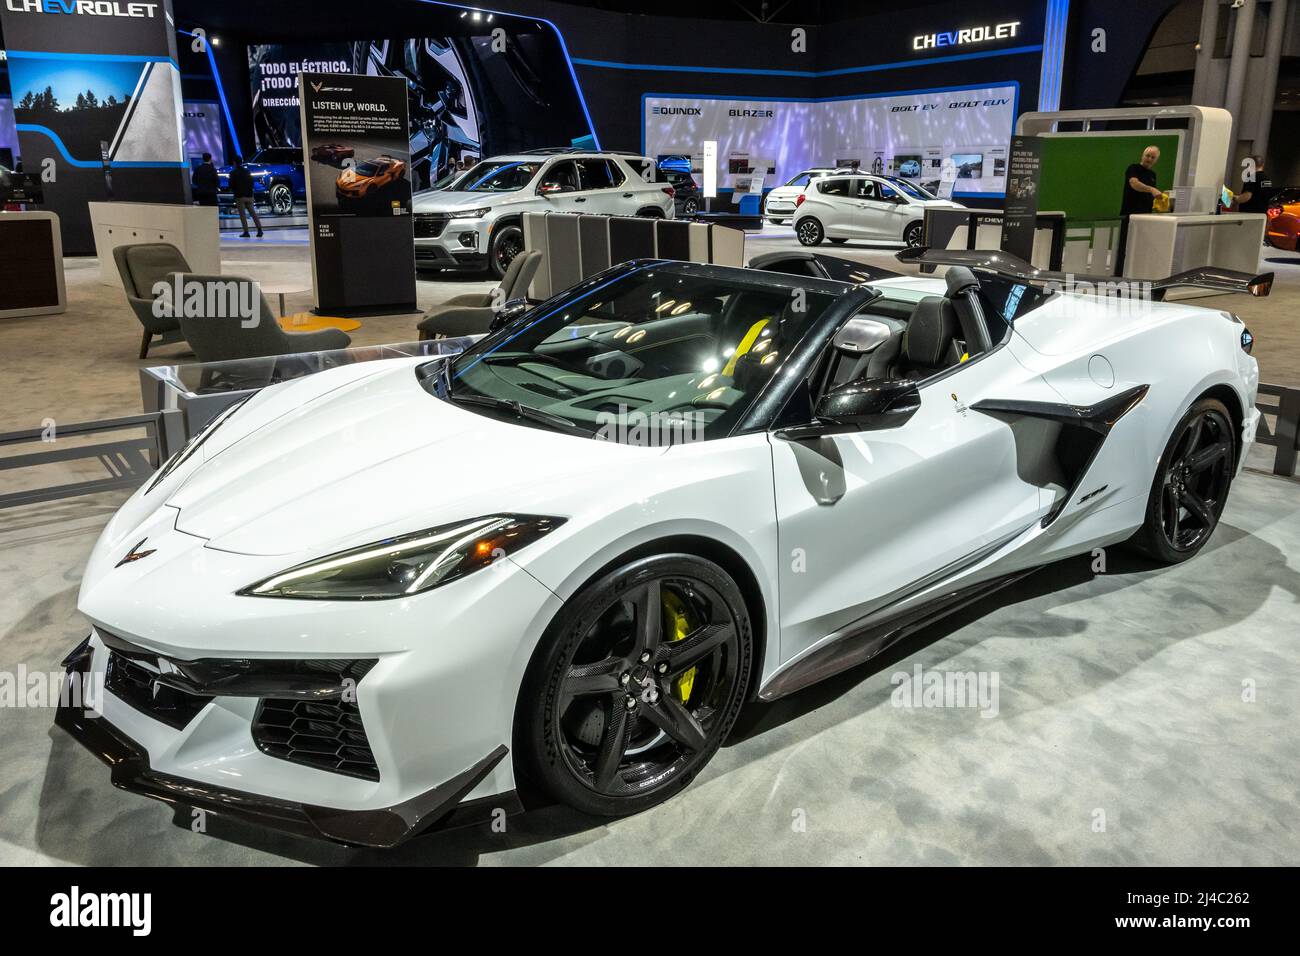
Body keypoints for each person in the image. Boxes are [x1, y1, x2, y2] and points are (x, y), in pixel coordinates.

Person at [1115, 145, 1162, 275]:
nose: (1149, 159)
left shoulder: (1152, 175)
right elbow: (1134, 183)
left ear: (1156, 160)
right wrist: (1151, 189)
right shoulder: (1133, 168)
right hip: (1129, 216)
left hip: (1145, 217)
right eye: (1148, 156)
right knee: (1124, 248)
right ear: (1143, 155)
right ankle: (1119, 277)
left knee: (1139, 248)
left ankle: (1134, 274)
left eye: (1153, 157)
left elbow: (1149, 196)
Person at [229, 156, 263, 238]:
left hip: (240, 196)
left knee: (242, 215)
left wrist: (234, 190)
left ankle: (246, 232)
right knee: (253, 213)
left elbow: (231, 185)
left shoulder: (233, 173)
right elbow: (252, 183)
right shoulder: (247, 171)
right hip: (249, 196)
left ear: (234, 162)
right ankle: (259, 230)